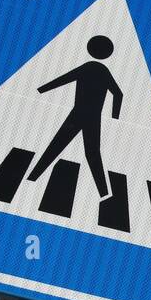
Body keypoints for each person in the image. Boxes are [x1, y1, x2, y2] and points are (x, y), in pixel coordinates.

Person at [27, 35, 123, 197]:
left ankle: (32, 178)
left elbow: (64, 79)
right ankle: (104, 192)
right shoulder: (103, 71)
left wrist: (41, 90)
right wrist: (114, 116)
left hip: (78, 114)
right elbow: (118, 94)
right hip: (93, 117)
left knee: (55, 147)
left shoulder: (88, 68)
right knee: (92, 152)